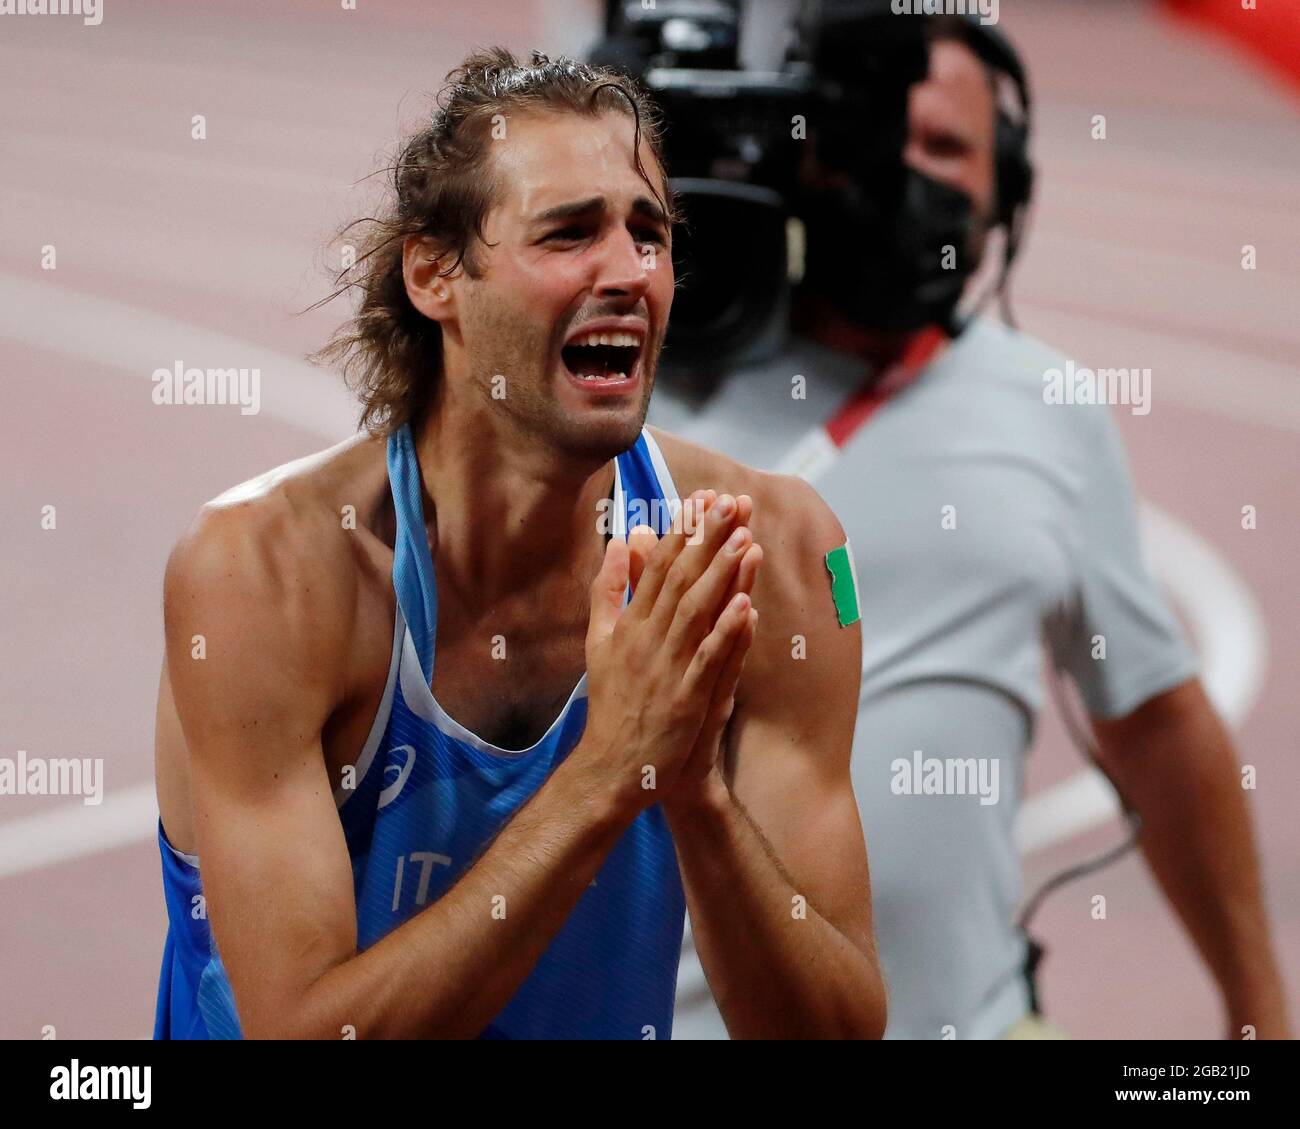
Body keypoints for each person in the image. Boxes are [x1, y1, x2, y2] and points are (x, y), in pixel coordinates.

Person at [151, 47, 886, 1040]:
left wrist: (696, 794)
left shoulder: (773, 555)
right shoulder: (269, 575)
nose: (628, 272)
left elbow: (835, 1033)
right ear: (434, 272)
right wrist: (606, 772)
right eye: (569, 233)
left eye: (648, 235)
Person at [657, 17, 1290, 1039]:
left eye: (945, 150)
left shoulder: (1049, 408)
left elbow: (1157, 722)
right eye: (868, 133)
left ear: (1009, 199)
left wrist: (1259, 1011)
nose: (903, 173)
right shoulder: (642, 377)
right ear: (801, 148)